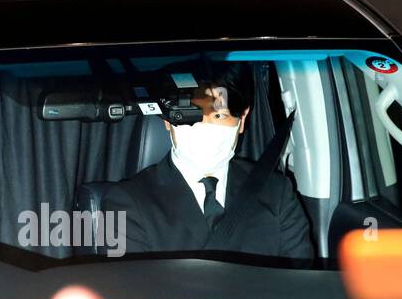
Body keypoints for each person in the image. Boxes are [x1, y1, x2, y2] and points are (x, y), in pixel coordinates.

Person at [102, 65, 313, 260]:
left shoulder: (277, 193)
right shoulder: (126, 202)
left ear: (242, 119)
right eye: (191, 115)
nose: (204, 128)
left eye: (219, 115)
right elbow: (128, 293)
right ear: (168, 120)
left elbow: (301, 287)